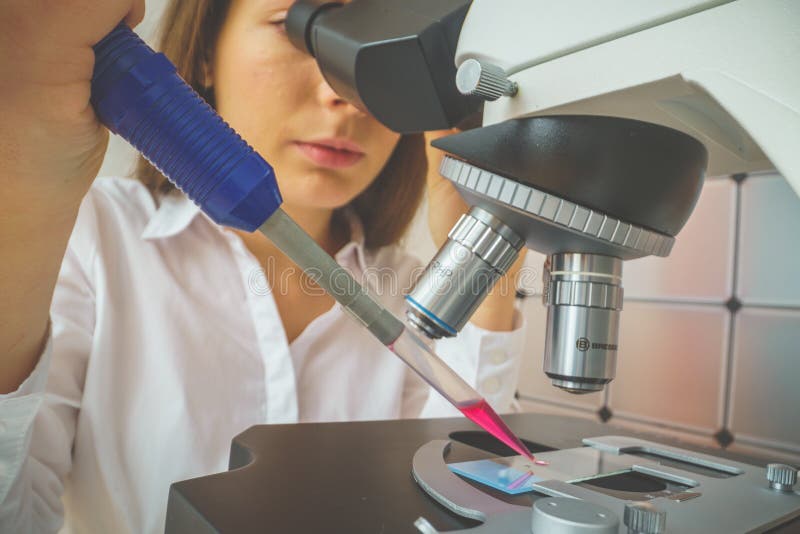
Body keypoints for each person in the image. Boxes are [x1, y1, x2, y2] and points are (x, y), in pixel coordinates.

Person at [0, 0, 526, 531]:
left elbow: (466, 506)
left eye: (380, 44)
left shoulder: (415, 292)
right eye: (300, 29)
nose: (342, 96)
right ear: (206, 50)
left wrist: (489, 254)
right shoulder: (94, 238)